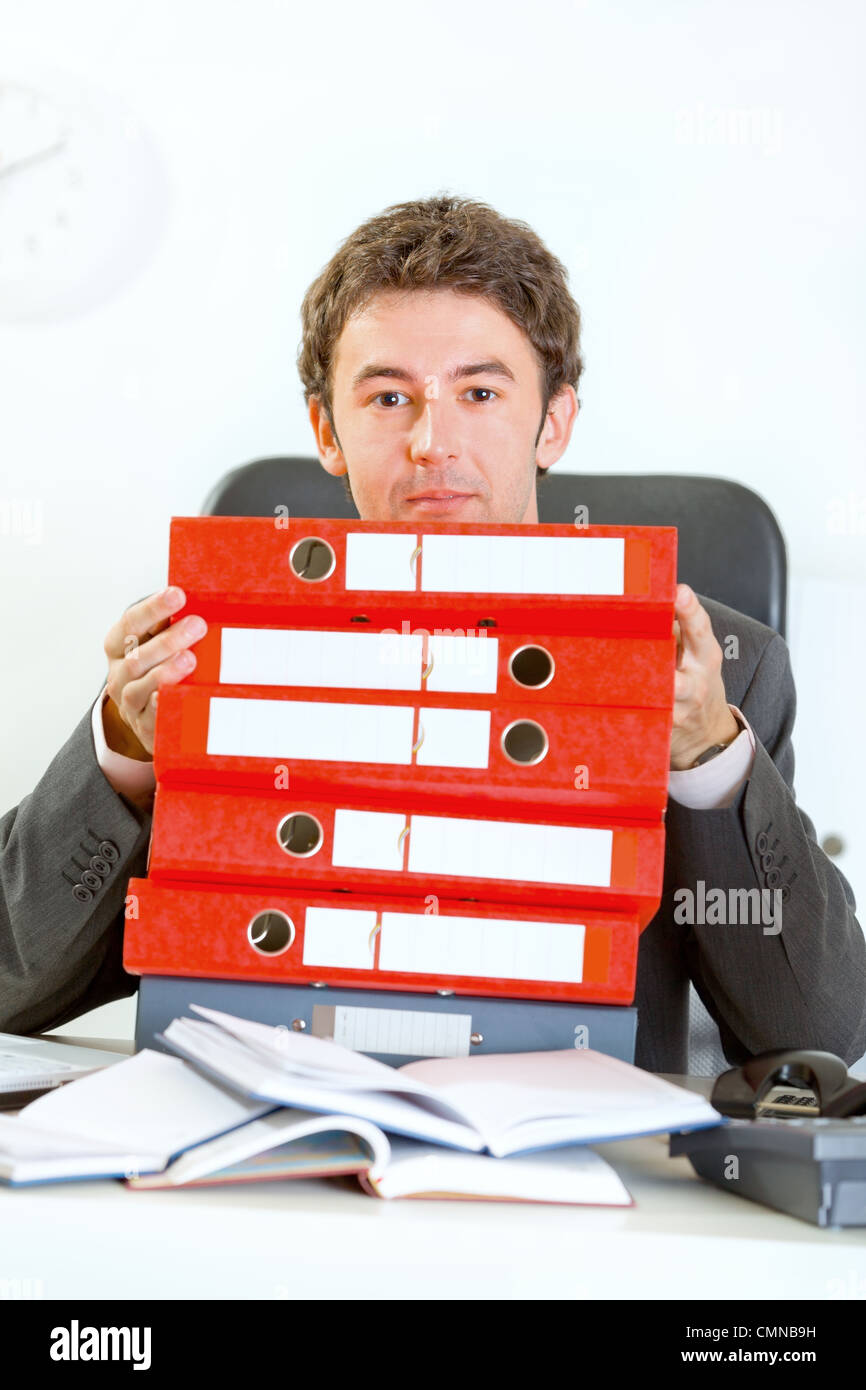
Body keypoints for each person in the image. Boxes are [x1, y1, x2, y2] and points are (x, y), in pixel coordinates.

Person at [2, 193, 864, 1074]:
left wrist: (704, 757)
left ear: (554, 421)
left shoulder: (718, 672)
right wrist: (127, 752)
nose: (430, 440)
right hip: (260, 1155)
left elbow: (816, 1036)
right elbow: (11, 983)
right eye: (386, 396)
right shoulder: (211, 644)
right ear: (325, 432)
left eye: (480, 391)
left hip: (576, 1175)